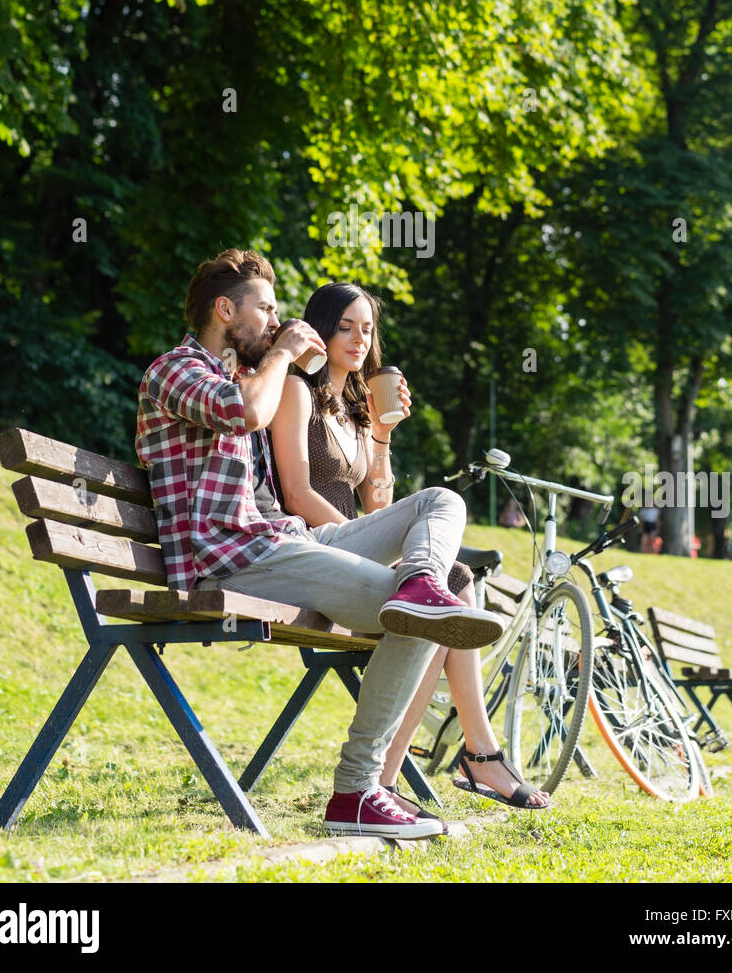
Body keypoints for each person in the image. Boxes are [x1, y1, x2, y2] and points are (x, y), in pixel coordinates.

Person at [136, 249, 503, 841]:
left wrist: (377, 432)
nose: (277, 324)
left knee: (442, 503)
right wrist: (283, 356)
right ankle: (359, 791)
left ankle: (421, 582)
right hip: (231, 561)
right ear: (225, 311)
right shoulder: (175, 370)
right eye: (266, 310)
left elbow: (335, 488)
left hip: (280, 542)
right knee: (427, 620)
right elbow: (248, 414)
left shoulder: (242, 375)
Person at [270, 281, 551, 811]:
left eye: (367, 330)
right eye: (346, 326)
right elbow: (297, 492)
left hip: (349, 543)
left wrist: (382, 433)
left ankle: (402, 775)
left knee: (449, 591)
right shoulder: (295, 390)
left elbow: (377, 507)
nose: (358, 339)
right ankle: (469, 757)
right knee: (441, 576)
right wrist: (363, 552)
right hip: (311, 551)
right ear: (322, 327)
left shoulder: (354, 412)